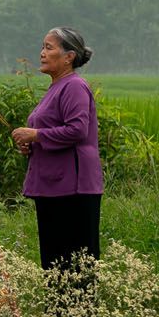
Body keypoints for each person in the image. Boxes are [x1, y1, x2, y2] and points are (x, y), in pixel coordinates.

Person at [10, 27, 104, 274]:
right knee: (55, 261)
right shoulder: (56, 87)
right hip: (52, 185)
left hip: (73, 187)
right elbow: (51, 132)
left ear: (69, 57)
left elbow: (77, 130)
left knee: (75, 261)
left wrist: (36, 134)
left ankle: (78, 313)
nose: (42, 53)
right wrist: (31, 144)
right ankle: (59, 313)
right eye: (43, 47)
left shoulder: (74, 86)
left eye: (49, 48)